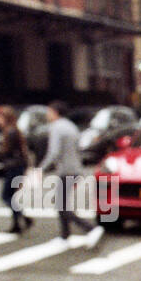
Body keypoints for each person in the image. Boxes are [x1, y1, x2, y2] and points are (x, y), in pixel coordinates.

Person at [37, 100, 103, 247]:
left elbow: (53, 151)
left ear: (55, 112)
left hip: (67, 171)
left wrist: (41, 168)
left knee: (60, 205)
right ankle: (65, 236)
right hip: (75, 169)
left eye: (49, 112)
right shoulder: (70, 126)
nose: (47, 115)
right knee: (61, 203)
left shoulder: (56, 127)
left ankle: (90, 228)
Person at [0, 105, 33, 234]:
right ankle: (18, 223)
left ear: (6, 118)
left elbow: (7, 152)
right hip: (18, 167)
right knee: (12, 196)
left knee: (6, 196)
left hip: (13, 168)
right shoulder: (14, 130)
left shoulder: (10, 132)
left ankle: (22, 219)